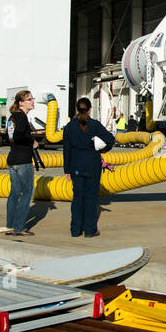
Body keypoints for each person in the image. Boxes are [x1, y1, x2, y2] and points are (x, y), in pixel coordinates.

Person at [63, 97, 117, 237]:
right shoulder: (95, 125)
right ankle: (90, 230)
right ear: (89, 109)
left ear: (76, 108)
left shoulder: (69, 127)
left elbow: (66, 150)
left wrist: (67, 170)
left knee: (77, 198)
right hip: (92, 164)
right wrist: (102, 150)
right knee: (91, 198)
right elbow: (111, 140)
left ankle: (75, 230)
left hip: (76, 165)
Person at [5, 91, 40, 235]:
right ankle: (19, 227)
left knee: (14, 193)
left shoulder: (12, 117)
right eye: (29, 99)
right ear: (21, 103)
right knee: (26, 193)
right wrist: (31, 141)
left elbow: (10, 137)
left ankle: (10, 225)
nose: (32, 102)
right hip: (23, 161)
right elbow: (19, 136)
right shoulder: (21, 118)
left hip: (13, 159)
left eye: (32, 99)